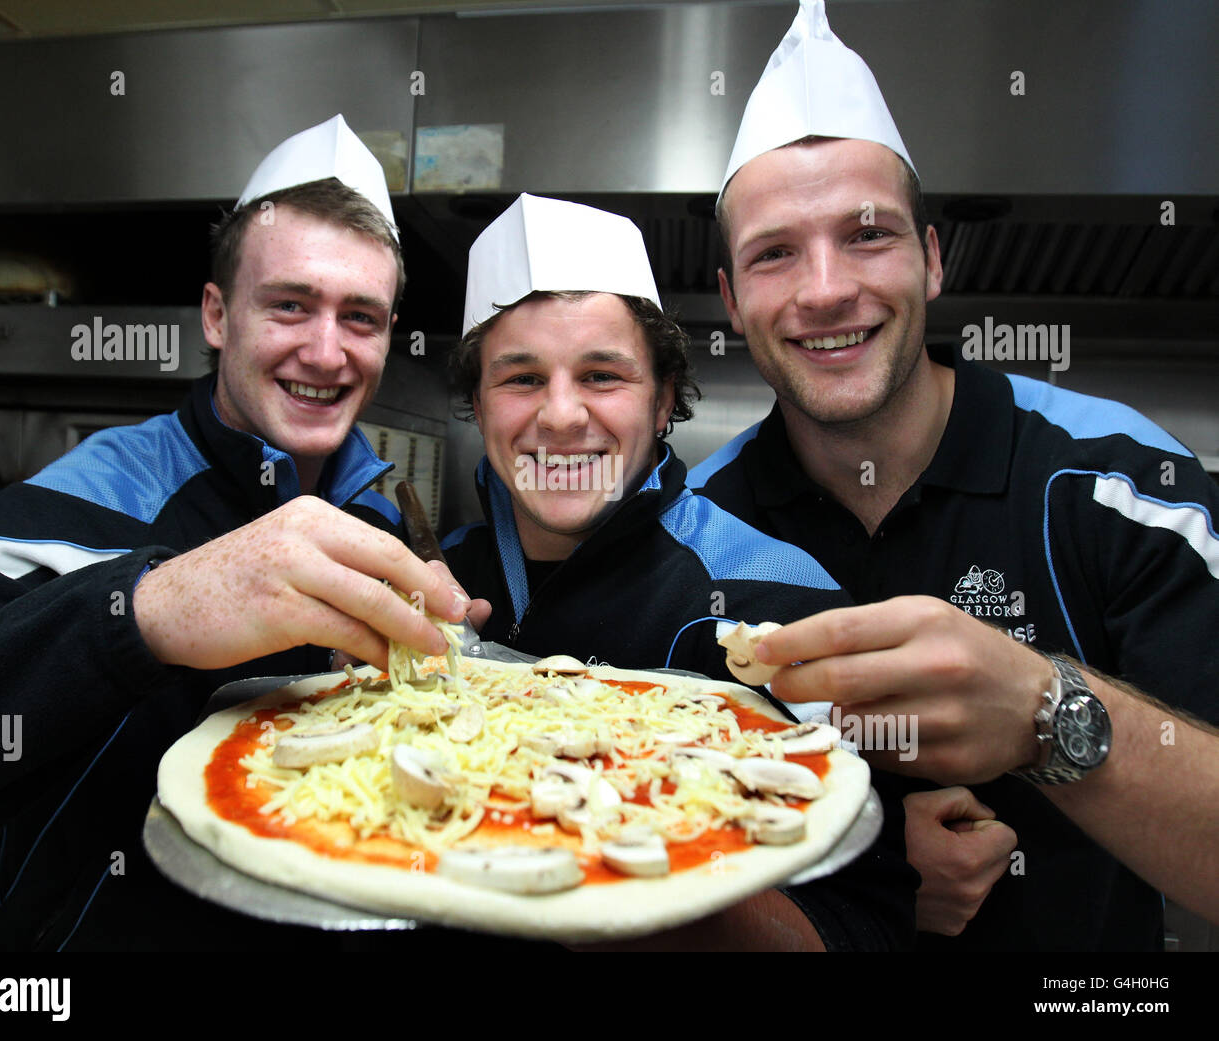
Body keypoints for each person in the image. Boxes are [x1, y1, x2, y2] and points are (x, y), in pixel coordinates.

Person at [688, 0, 1219, 946]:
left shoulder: (1126, 486)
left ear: (931, 259)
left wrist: (1046, 715)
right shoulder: (692, 531)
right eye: (774, 253)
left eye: (868, 235)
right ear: (730, 298)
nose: (824, 289)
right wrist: (869, 869)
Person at [0, 115, 468, 950]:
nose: (326, 352)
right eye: (289, 305)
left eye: (362, 317)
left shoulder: (377, 519)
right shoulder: (88, 499)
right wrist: (141, 612)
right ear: (216, 315)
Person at [442, 192, 918, 951]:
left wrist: (641, 870)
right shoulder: (431, 584)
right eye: (522, 379)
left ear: (663, 399)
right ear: (477, 401)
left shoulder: (782, 603)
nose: (562, 416)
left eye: (602, 375)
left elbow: (871, 925)